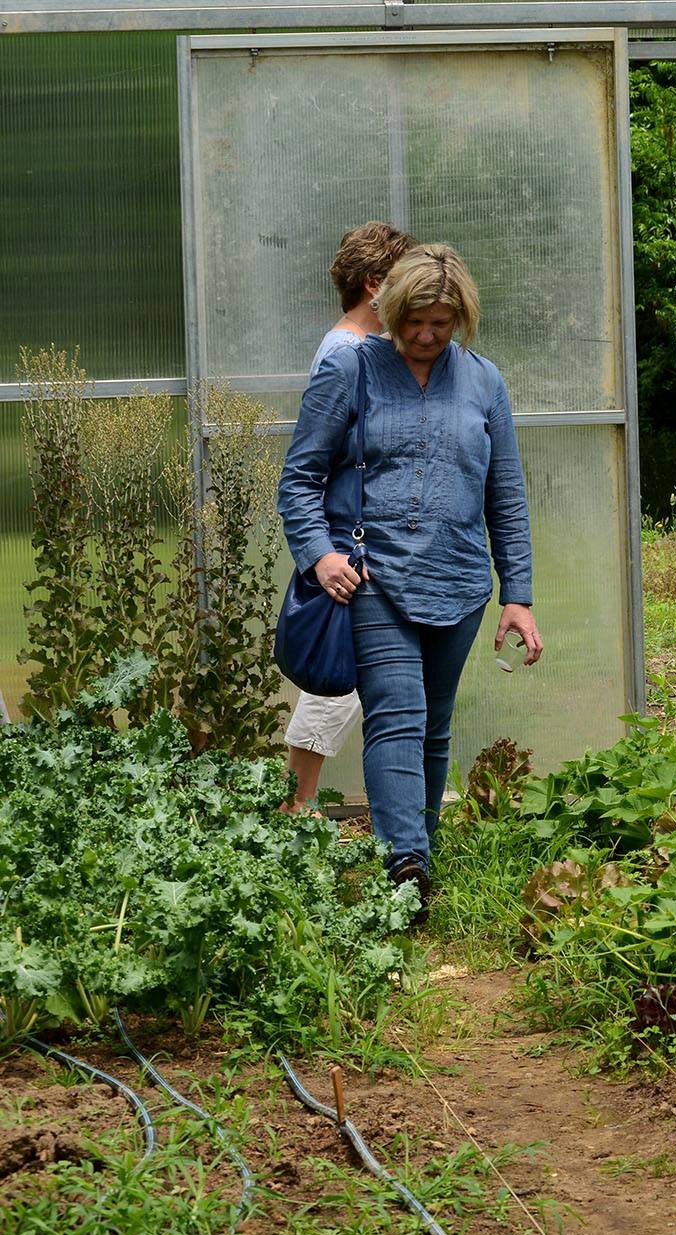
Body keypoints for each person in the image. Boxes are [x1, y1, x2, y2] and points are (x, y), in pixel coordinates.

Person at [278, 244, 540, 914]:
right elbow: (300, 477)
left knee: (434, 725)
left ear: (461, 320)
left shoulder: (484, 382)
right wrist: (319, 554)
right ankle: (406, 864)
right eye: (415, 321)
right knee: (397, 716)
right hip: (374, 578)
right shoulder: (350, 370)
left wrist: (517, 595)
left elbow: (506, 496)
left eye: (441, 323)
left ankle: (420, 850)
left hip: (458, 582)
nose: (426, 335)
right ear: (392, 312)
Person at [280, 220, 414, 815]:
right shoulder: (347, 352)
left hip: (356, 541)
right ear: (373, 285)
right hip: (348, 544)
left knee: (352, 680)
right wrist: (326, 552)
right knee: (336, 681)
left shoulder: (363, 347)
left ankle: (297, 805)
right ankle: (295, 807)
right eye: (402, 280)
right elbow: (316, 464)